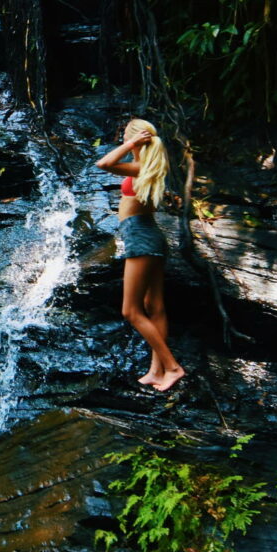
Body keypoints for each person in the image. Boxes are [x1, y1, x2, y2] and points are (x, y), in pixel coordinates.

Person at [95, 118, 187, 393]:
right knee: (154, 305)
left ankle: (172, 367)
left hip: (140, 237)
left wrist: (131, 144)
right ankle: (156, 371)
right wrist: (134, 144)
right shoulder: (149, 168)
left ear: (137, 139)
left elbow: (104, 164)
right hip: (148, 235)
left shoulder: (142, 167)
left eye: (126, 135)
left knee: (131, 311)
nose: (123, 139)